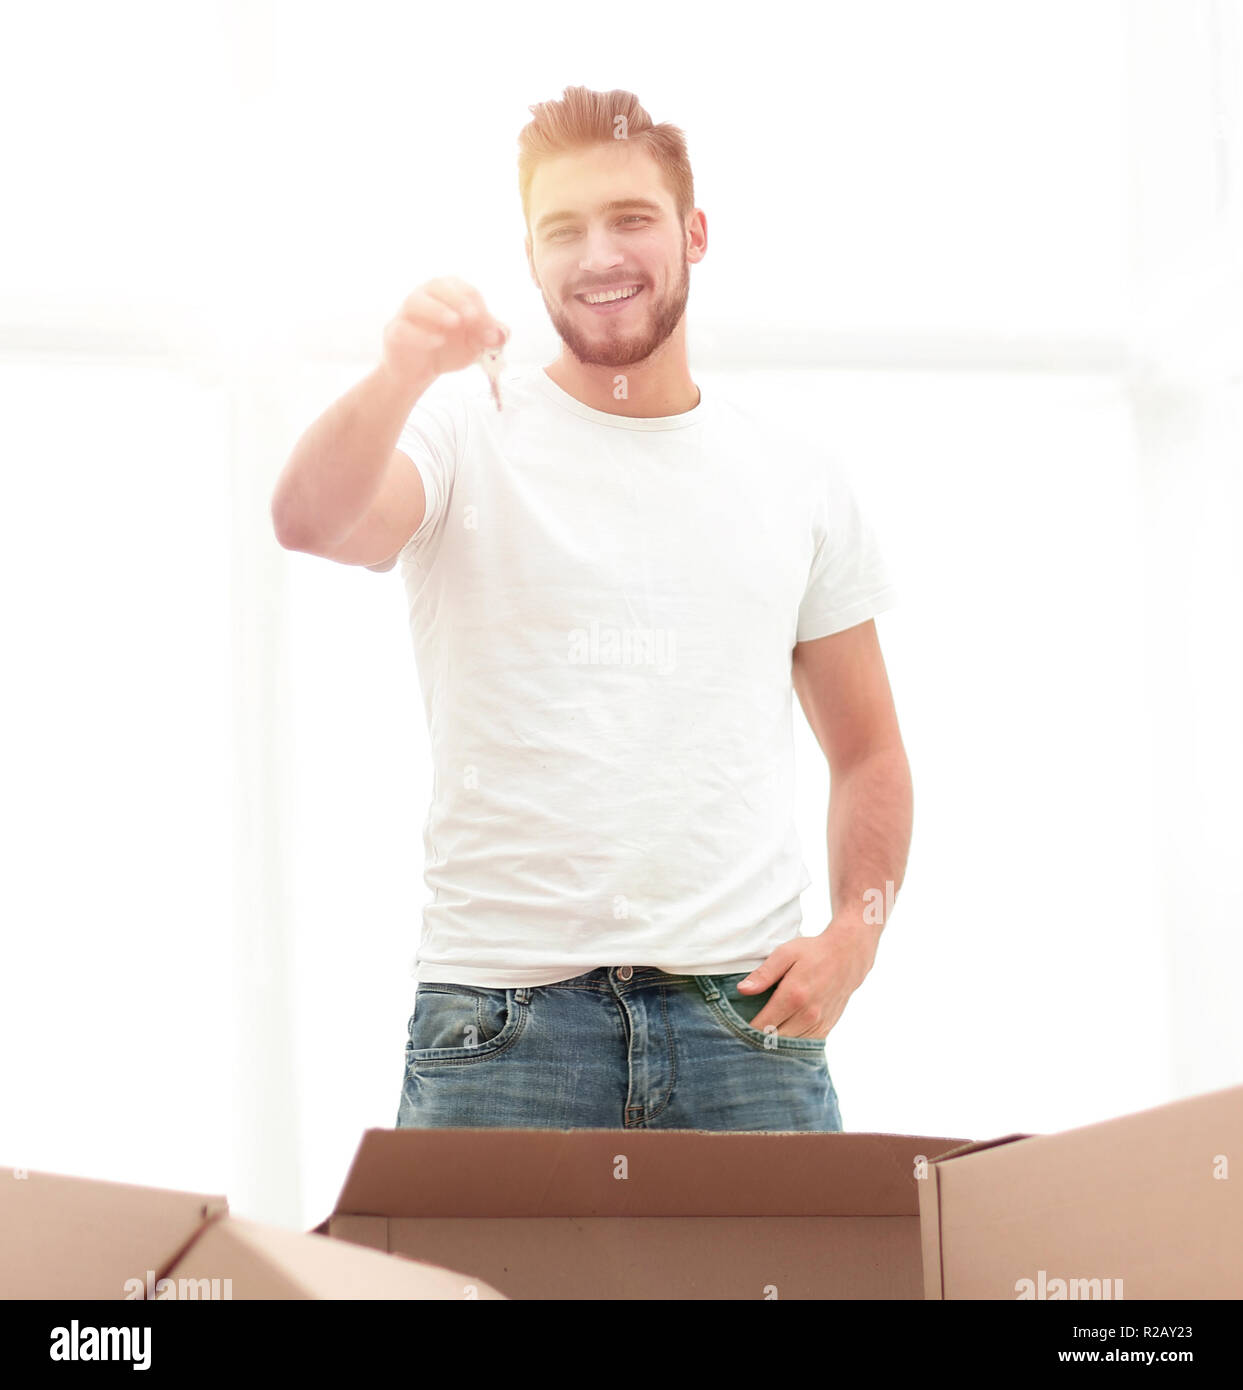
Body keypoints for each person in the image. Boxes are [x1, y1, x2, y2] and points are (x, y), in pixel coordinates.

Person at [270, 86, 913, 1132]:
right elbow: (311, 519)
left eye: (630, 219)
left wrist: (856, 936)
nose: (597, 254)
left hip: (744, 1025)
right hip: (502, 1028)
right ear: (529, 260)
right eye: (561, 230)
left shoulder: (795, 475)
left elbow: (871, 752)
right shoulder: (463, 427)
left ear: (694, 234)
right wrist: (396, 371)